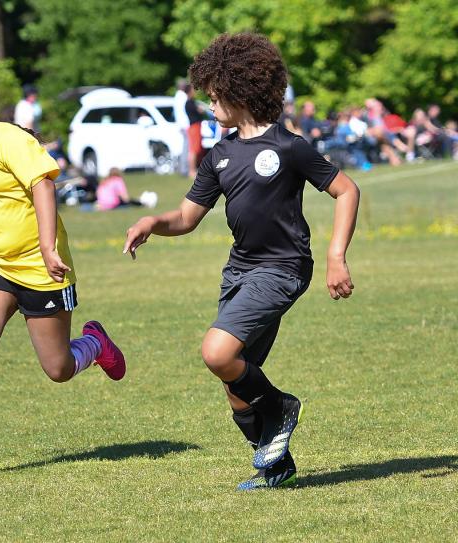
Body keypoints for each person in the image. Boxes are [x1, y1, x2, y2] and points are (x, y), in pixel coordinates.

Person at [123, 33, 360, 491]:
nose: (209, 107)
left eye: (214, 98)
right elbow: (187, 217)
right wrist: (154, 221)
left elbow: (346, 190)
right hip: (240, 272)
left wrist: (336, 257)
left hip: (283, 269)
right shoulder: (220, 155)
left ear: (239, 91)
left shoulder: (290, 148)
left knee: (217, 352)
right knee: (236, 386)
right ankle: (277, 467)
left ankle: (283, 408)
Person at [0, 68, 127, 481]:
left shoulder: (9, 139)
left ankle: (94, 342)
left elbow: (43, 185)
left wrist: (49, 247)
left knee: (57, 368)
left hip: (41, 267)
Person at [186, 85, 206, 179]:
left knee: (198, 149)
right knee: (193, 150)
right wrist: (201, 110)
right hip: (194, 127)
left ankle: (196, 169)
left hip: (196, 126)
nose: (195, 92)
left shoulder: (192, 102)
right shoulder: (189, 103)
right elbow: (198, 112)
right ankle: (192, 170)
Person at [174, 79, 191, 176]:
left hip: (181, 124)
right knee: (186, 147)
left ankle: (183, 168)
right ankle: (184, 169)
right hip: (186, 124)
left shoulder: (176, 96)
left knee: (184, 147)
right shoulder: (183, 96)